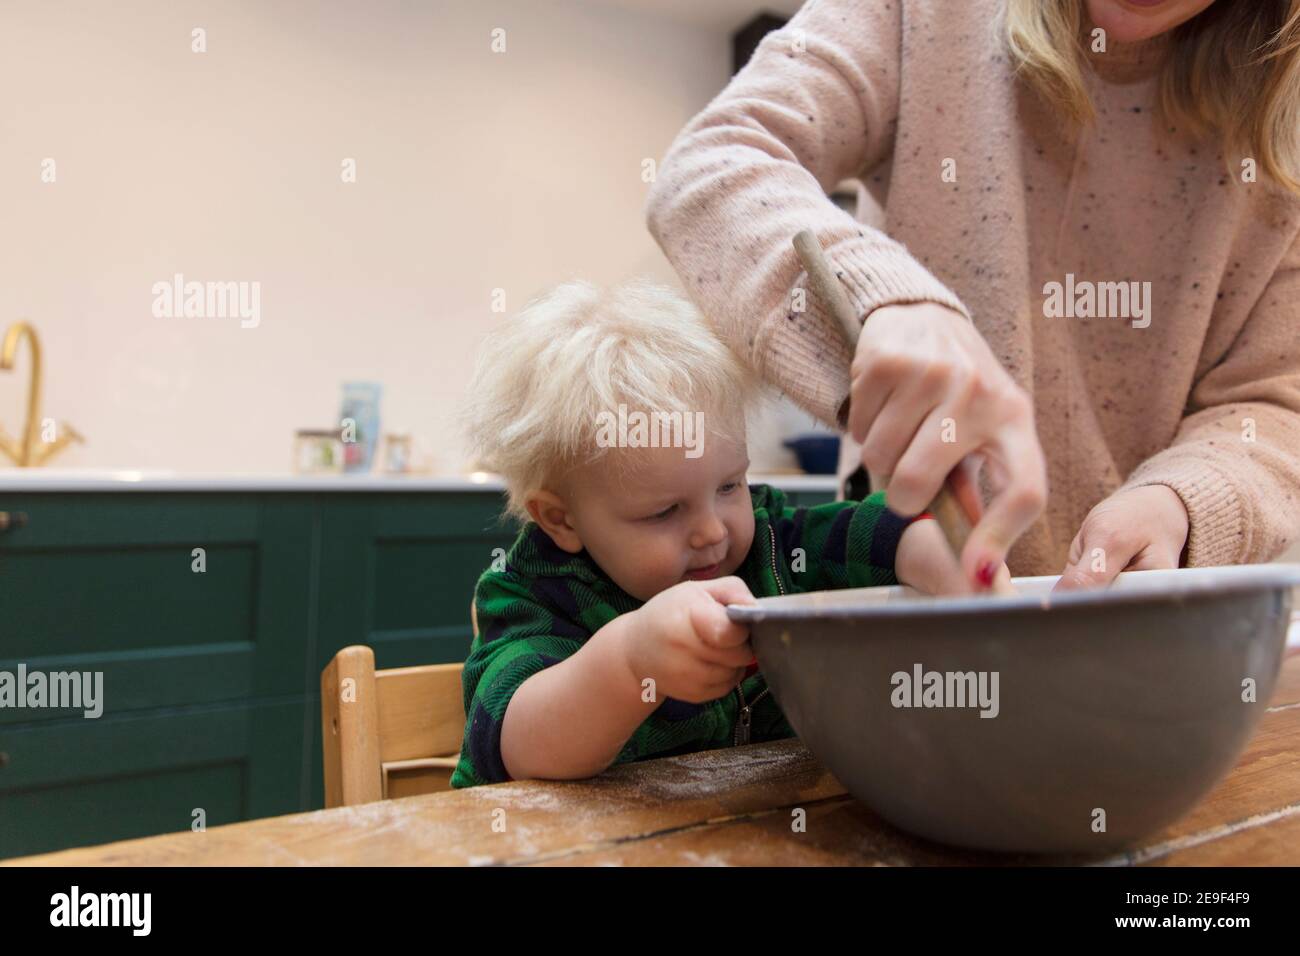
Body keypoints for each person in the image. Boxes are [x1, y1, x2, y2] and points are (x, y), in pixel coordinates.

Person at [646, 0, 1300, 590]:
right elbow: (714, 164)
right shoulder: (926, 14)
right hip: (912, 629)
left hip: (1150, 644)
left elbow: (1276, 398)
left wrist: (1181, 503)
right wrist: (883, 298)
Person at [449, 279, 990, 787]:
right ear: (561, 519)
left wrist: (943, 554)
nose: (712, 531)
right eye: (664, 512)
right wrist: (629, 661)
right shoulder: (533, 597)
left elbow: (877, 533)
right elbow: (515, 745)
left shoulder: (775, 548)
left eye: (730, 485)